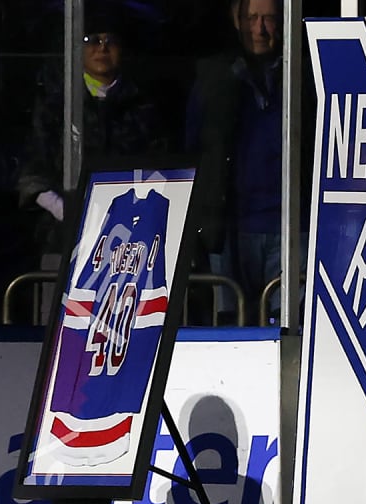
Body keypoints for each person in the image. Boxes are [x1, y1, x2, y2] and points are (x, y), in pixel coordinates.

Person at [17, 13, 167, 260]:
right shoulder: (57, 105)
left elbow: (160, 165)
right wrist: (67, 211)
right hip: (64, 240)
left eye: (111, 41)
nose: (102, 48)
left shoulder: (143, 106)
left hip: (131, 240)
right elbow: (32, 170)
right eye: (92, 40)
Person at [185, 0, 287, 325]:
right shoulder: (212, 77)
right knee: (227, 332)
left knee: (288, 332)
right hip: (227, 232)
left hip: (290, 231)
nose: (260, 29)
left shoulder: (306, 76)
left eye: (269, 18)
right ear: (235, 19)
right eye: (252, 18)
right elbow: (191, 152)